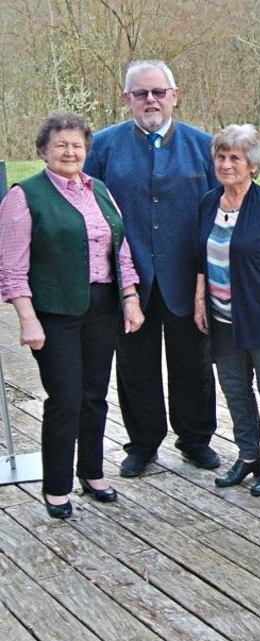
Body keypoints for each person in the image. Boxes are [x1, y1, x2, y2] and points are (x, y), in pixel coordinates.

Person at [0, 112, 145, 518]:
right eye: (61, 144)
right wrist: (27, 319)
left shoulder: (99, 190)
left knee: (95, 394)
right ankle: (57, 487)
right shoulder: (23, 196)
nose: (69, 151)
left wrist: (130, 298)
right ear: (44, 150)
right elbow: (11, 268)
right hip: (54, 313)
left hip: (103, 307)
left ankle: (93, 472)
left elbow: (120, 247)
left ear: (87, 150)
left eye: (77, 145)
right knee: (65, 398)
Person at [84, 60, 221, 478]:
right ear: (127, 98)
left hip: (188, 279)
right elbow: (87, 211)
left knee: (193, 363)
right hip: (128, 282)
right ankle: (143, 443)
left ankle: (196, 439)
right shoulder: (101, 148)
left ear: (174, 95)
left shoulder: (203, 146)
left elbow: (222, 212)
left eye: (158, 92)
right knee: (135, 365)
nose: (150, 100)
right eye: (141, 93)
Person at [194, 125, 260, 496]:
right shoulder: (209, 203)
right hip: (223, 318)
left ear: (252, 165)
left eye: (234, 158)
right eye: (221, 157)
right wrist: (199, 299)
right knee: (235, 389)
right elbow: (201, 257)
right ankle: (249, 454)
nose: (226, 164)